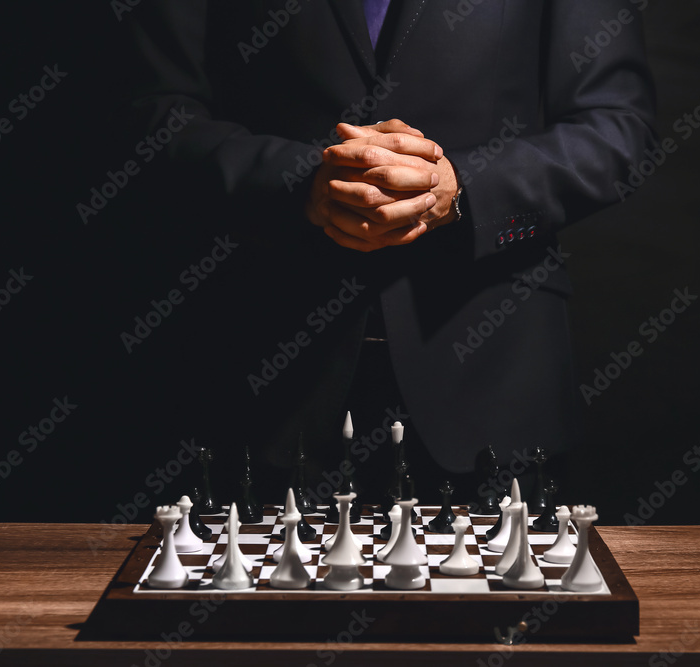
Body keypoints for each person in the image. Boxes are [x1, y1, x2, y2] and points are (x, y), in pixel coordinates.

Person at [119, 0, 656, 504]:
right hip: (256, 371)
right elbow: (152, 113)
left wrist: (462, 188)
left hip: (495, 378)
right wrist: (299, 183)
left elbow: (617, 129)